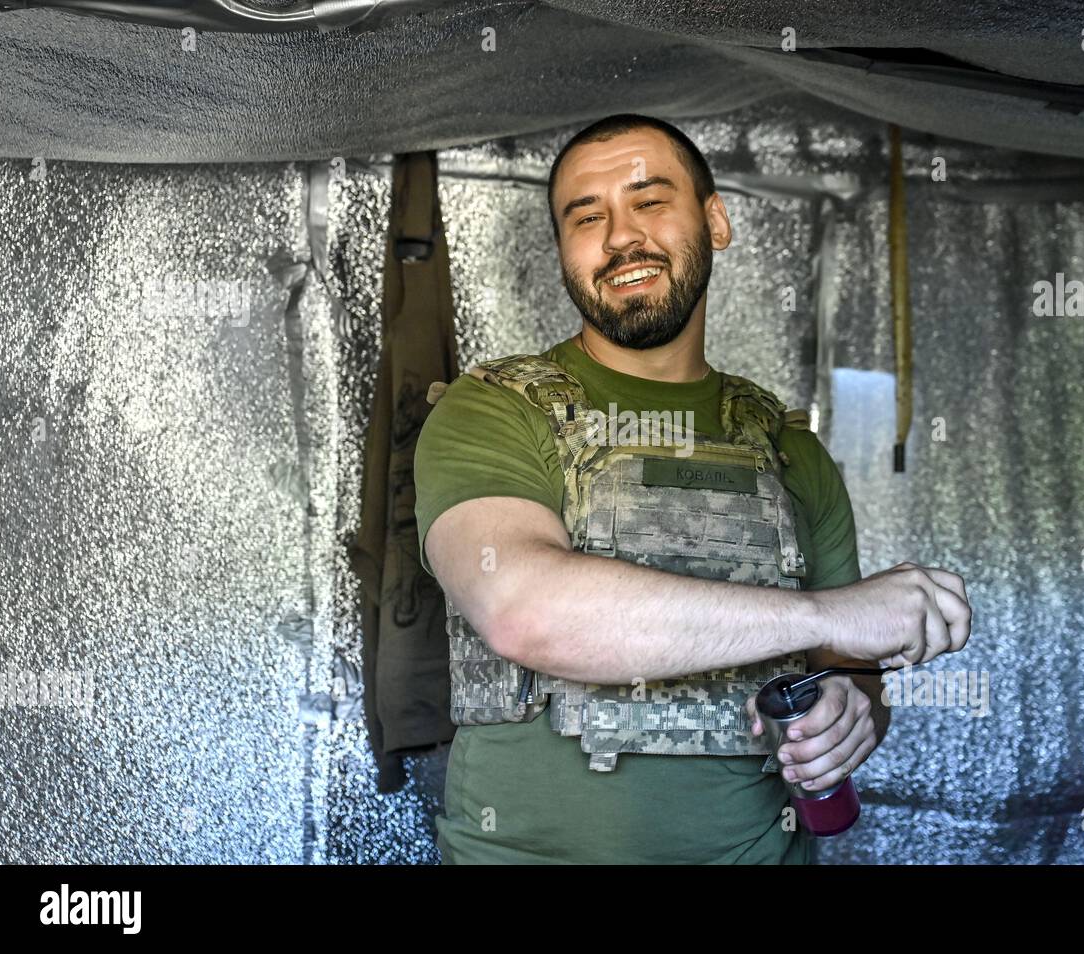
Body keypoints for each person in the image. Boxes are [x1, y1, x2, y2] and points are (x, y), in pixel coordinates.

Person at [413, 113, 972, 864]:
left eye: (649, 202)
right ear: (563, 253)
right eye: (588, 217)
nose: (620, 238)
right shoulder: (494, 409)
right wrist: (823, 614)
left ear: (715, 221)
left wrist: (851, 714)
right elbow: (525, 612)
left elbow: (849, 673)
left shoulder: (786, 447)